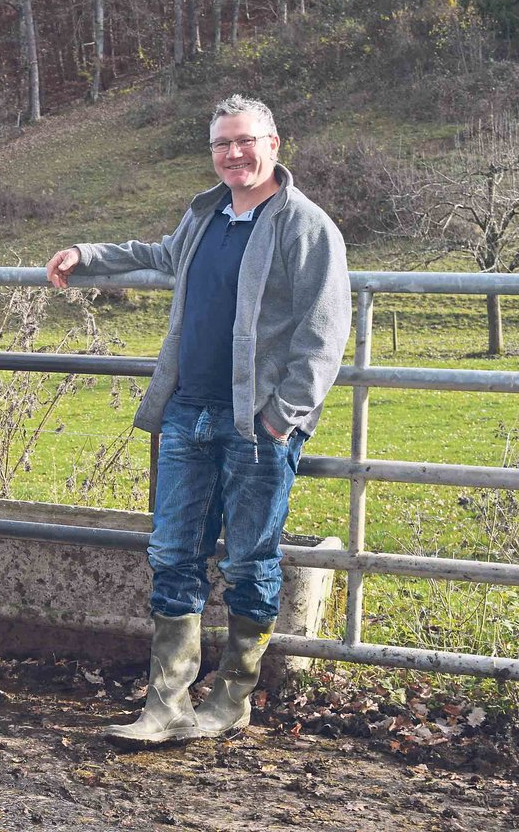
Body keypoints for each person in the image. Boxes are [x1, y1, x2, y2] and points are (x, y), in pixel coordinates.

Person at [45, 94, 351, 745]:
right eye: (222, 144)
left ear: (273, 142)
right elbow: (160, 256)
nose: (234, 154)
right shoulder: (206, 214)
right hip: (187, 414)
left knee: (248, 561)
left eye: (245, 140)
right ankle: (167, 705)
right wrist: (86, 255)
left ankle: (232, 699)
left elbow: (324, 335)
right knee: (174, 554)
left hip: (256, 427)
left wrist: (282, 418)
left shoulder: (305, 226)